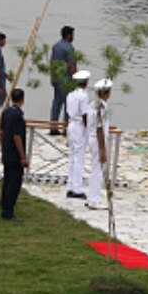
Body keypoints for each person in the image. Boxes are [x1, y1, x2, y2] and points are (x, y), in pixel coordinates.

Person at [0, 88, 28, 221]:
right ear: (22, 99)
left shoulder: (5, 113)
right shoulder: (18, 116)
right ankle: (9, 211)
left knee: (7, 181)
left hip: (7, 152)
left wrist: (3, 149)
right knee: (14, 183)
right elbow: (17, 136)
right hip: (15, 155)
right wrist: (22, 156)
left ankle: (4, 207)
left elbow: (2, 133)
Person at [85, 79, 114, 210]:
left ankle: (91, 196)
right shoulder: (100, 107)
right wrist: (103, 149)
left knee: (95, 169)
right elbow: (99, 129)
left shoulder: (92, 104)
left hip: (92, 138)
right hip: (97, 140)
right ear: (106, 93)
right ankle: (94, 200)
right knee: (98, 170)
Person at [65, 70, 91, 200]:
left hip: (71, 124)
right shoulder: (84, 96)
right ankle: (77, 188)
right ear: (86, 82)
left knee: (72, 156)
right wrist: (89, 129)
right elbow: (85, 114)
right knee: (79, 157)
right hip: (79, 126)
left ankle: (70, 185)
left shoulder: (70, 95)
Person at [48, 26, 77, 135]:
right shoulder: (69, 48)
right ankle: (66, 128)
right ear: (69, 35)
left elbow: (52, 62)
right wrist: (76, 79)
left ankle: (53, 127)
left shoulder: (56, 46)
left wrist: (52, 77)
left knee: (56, 103)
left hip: (57, 79)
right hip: (66, 80)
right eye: (72, 35)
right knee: (68, 105)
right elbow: (72, 65)